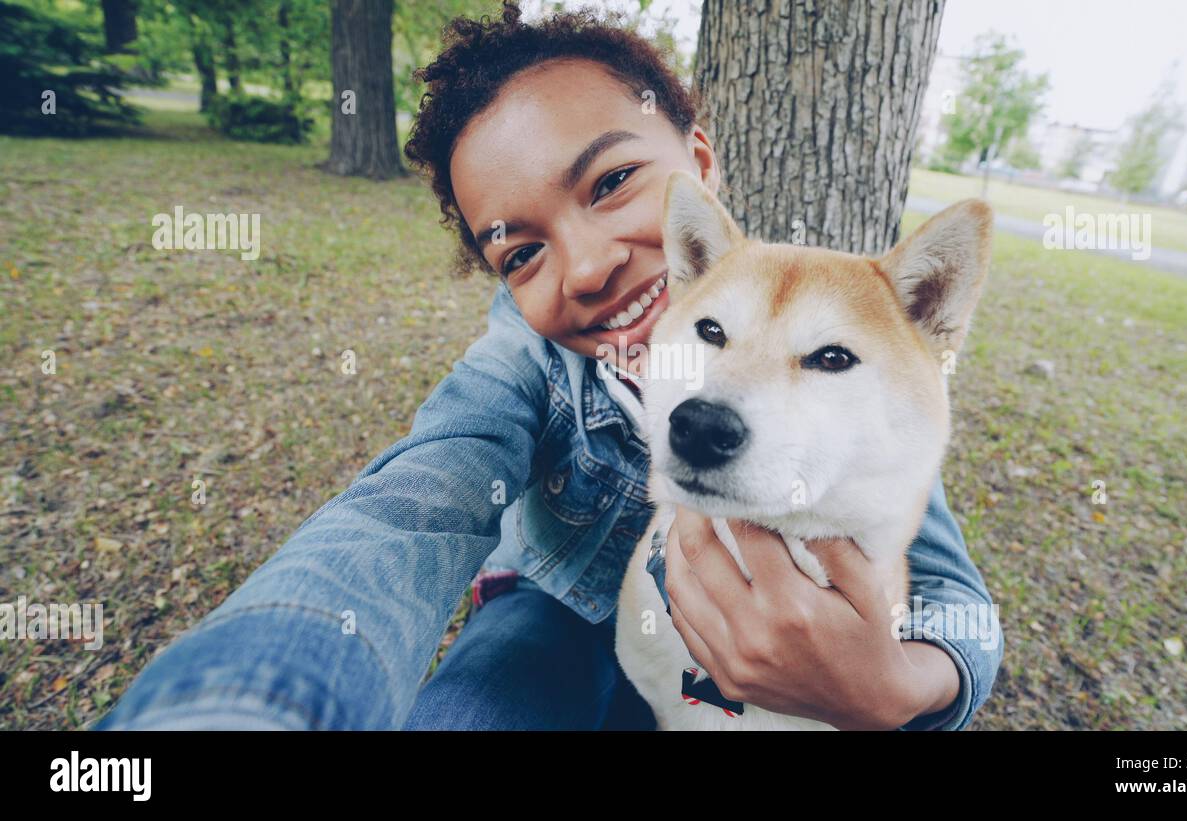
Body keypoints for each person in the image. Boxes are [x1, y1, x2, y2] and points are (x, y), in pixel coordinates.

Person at [96, 0, 1001, 732]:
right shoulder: (522, 362)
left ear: (696, 167)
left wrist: (901, 686)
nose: (590, 265)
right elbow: (411, 505)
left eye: (611, 183)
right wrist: (245, 698)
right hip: (555, 609)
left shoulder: (857, 385)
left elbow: (952, 592)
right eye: (521, 253)